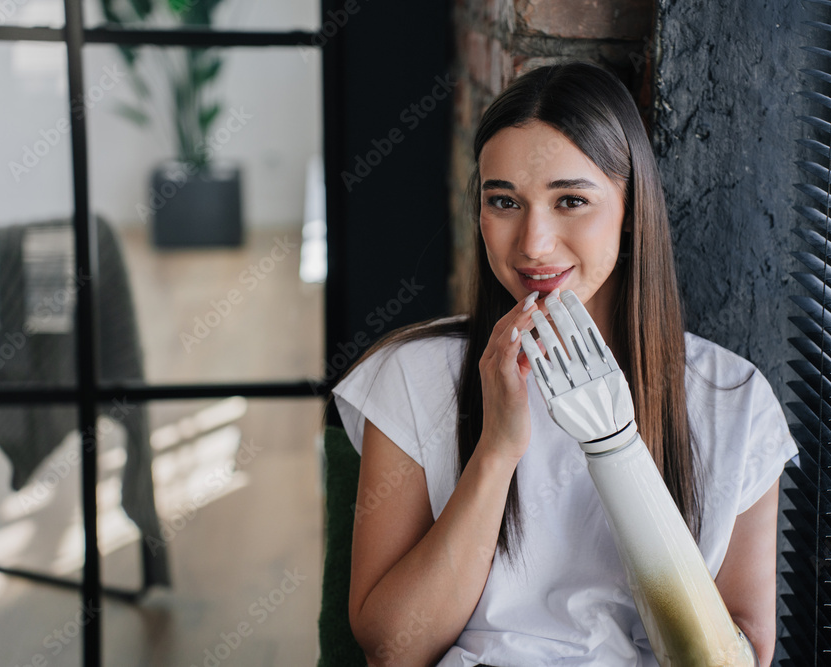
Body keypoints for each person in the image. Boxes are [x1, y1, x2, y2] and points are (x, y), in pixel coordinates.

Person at [329, 60, 798, 666]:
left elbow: (728, 661)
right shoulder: (415, 375)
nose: (533, 243)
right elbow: (394, 648)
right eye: (504, 201)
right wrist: (497, 448)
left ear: (632, 209)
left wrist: (615, 446)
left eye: (571, 200)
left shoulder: (732, 399)